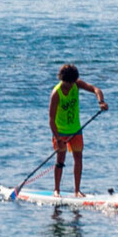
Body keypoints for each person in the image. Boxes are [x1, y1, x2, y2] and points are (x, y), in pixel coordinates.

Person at [49, 63, 109, 197]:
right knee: (60, 160)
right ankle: (56, 190)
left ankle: (77, 190)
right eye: (67, 83)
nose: (70, 86)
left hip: (76, 130)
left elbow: (96, 89)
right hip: (61, 131)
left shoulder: (76, 84)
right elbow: (51, 119)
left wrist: (101, 102)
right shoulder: (56, 93)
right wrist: (58, 139)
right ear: (62, 80)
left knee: (78, 158)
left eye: (72, 83)